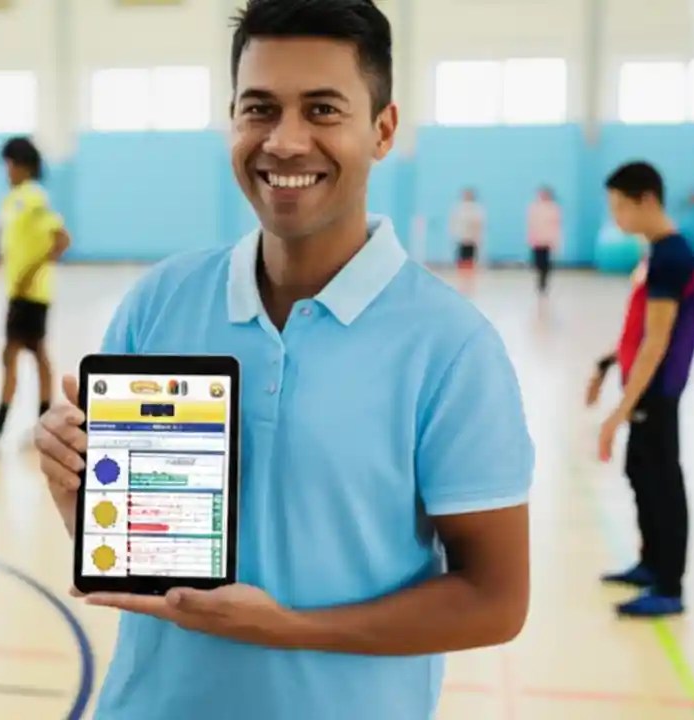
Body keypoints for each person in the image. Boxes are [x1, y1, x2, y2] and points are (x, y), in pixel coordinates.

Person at [35, 2, 534, 717]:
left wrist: (291, 631)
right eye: (259, 109)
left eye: (323, 110)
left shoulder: (451, 346)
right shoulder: (160, 301)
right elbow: (143, 553)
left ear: (383, 129)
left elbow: (496, 600)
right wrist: (84, 500)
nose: (286, 141)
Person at [589, 161, 694, 619]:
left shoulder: (672, 258)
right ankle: (651, 563)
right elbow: (638, 332)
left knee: (662, 483)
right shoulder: (656, 254)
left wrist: (620, 412)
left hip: (657, 391)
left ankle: (669, 586)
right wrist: (606, 362)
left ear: (646, 200)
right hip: (645, 388)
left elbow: (657, 342)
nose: (616, 217)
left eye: (620, 207)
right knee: (639, 473)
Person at [0, 137, 71, 450]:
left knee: (15, 356)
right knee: (33, 355)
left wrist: (32, 272)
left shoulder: (33, 197)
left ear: (23, 165)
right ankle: (41, 425)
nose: (6, 171)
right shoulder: (13, 199)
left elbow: (61, 238)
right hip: (18, 292)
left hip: (30, 293)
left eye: (9, 164)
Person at [527, 185, 561, 295]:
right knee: (537, 262)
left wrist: (555, 240)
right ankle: (539, 280)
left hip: (548, 240)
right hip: (537, 240)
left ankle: (544, 282)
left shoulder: (554, 208)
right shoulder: (534, 207)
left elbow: (556, 226)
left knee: (546, 263)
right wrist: (530, 238)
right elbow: (531, 224)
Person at [450, 187, 484, 269]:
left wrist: (477, 237)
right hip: (461, 238)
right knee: (461, 259)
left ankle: (469, 275)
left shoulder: (476, 209)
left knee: (471, 259)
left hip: (472, 239)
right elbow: (454, 223)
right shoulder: (458, 208)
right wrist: (455, 235)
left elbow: (479, 224)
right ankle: (461, 273)